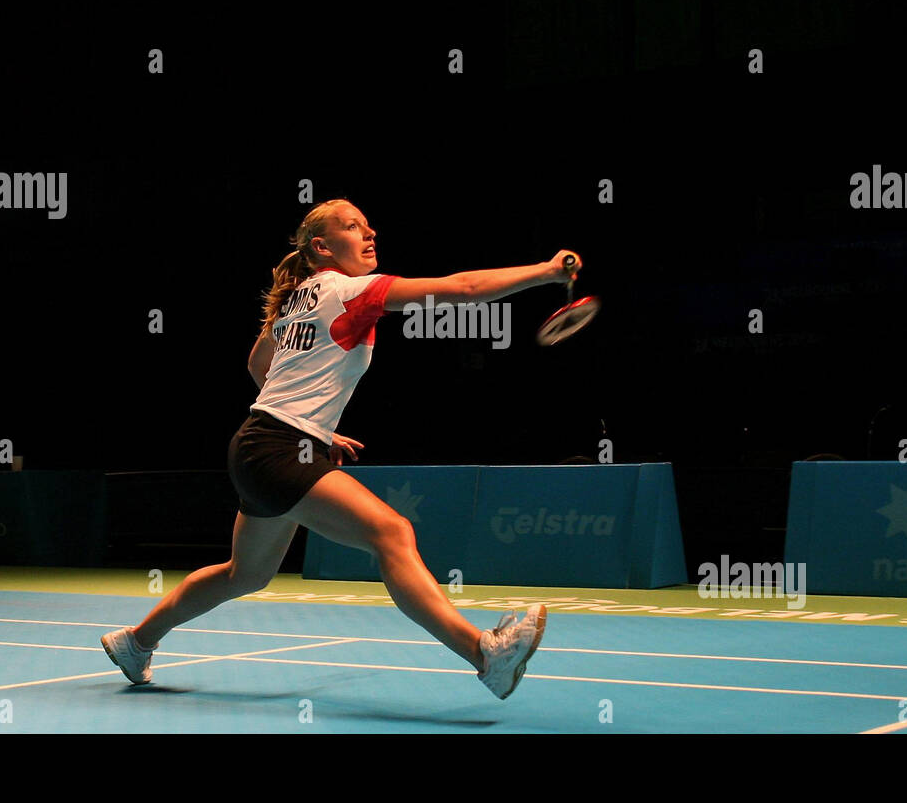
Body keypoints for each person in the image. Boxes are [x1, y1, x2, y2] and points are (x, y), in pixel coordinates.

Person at [102, 198, 582, 700]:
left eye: (369, 226)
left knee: (245, 574)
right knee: (391, 533)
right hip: (278, 449)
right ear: (323, 247)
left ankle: (136, 641)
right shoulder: (351, 291)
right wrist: (547, 271)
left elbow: (258, 367)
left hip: (257, 444)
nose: (369, 234)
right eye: (354, 227)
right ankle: (486, 655)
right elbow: (463, 288)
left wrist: (317, 429)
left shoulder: (295, 299)